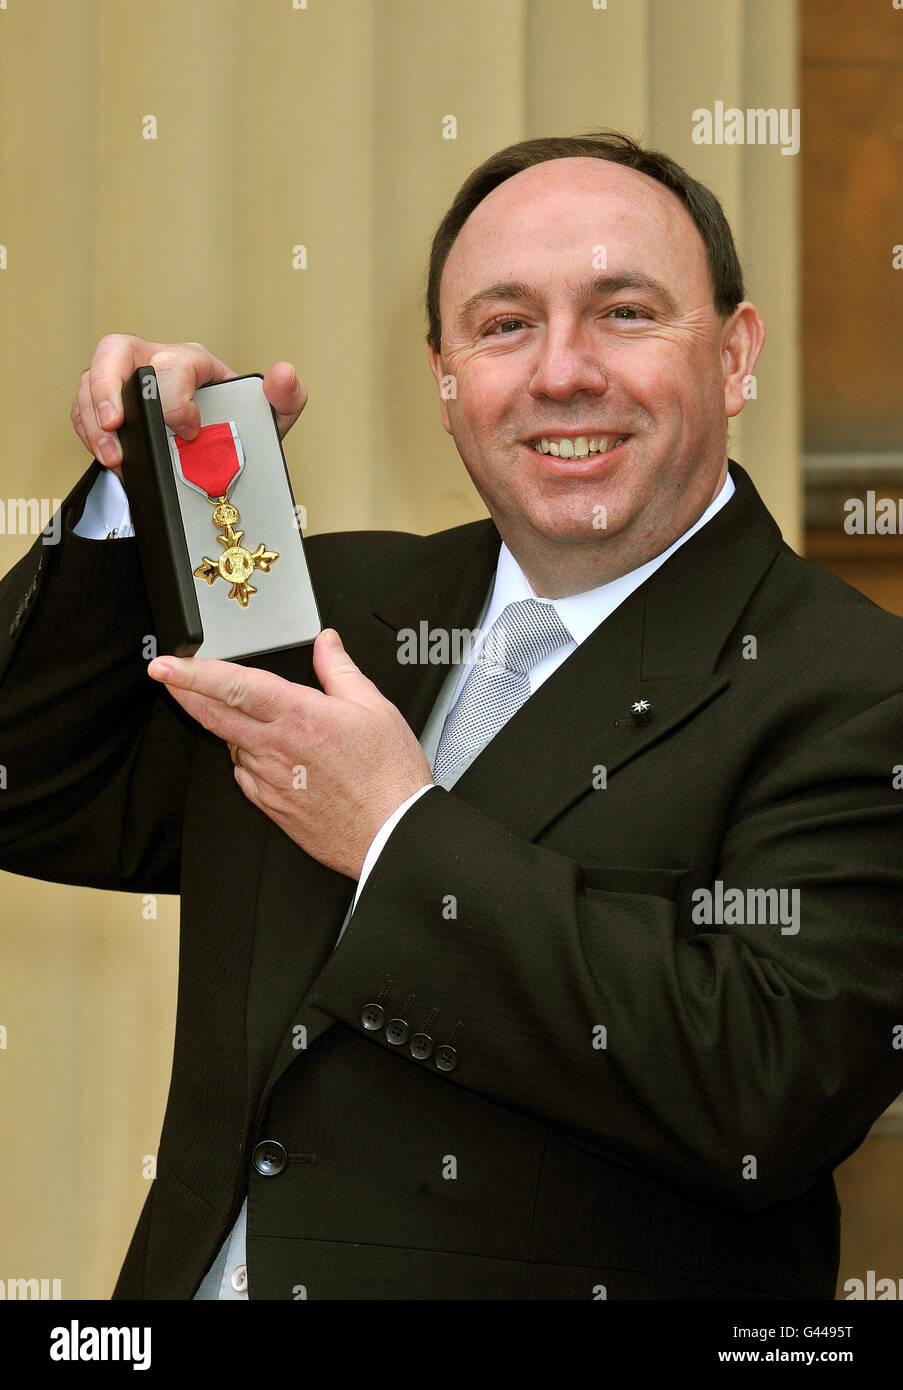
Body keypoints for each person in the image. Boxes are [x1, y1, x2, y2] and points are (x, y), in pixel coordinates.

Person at [1, 131, 901, 1301]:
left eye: (625, 311)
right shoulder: (323, 609)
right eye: (504, 323)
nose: (563, 373)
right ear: (442, 376)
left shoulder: (857, 688)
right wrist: (141, 490)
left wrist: (395, 831)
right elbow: (31, 782)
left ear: (735, 355)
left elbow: (765, 1086)